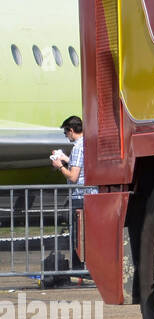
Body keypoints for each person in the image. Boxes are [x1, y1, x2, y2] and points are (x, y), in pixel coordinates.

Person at [48, 115, 96, 286]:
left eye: (65, 133)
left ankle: (78, 272)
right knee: (89, 235)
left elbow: (74, 176)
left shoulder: (77, 147)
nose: (66, 136)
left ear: (70, 130)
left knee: (77, 237)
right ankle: (89, 270)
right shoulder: (89, 143)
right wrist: (65, 159)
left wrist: (59, 166)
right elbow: (80, 167)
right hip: (91, 193)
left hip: (78, 196)